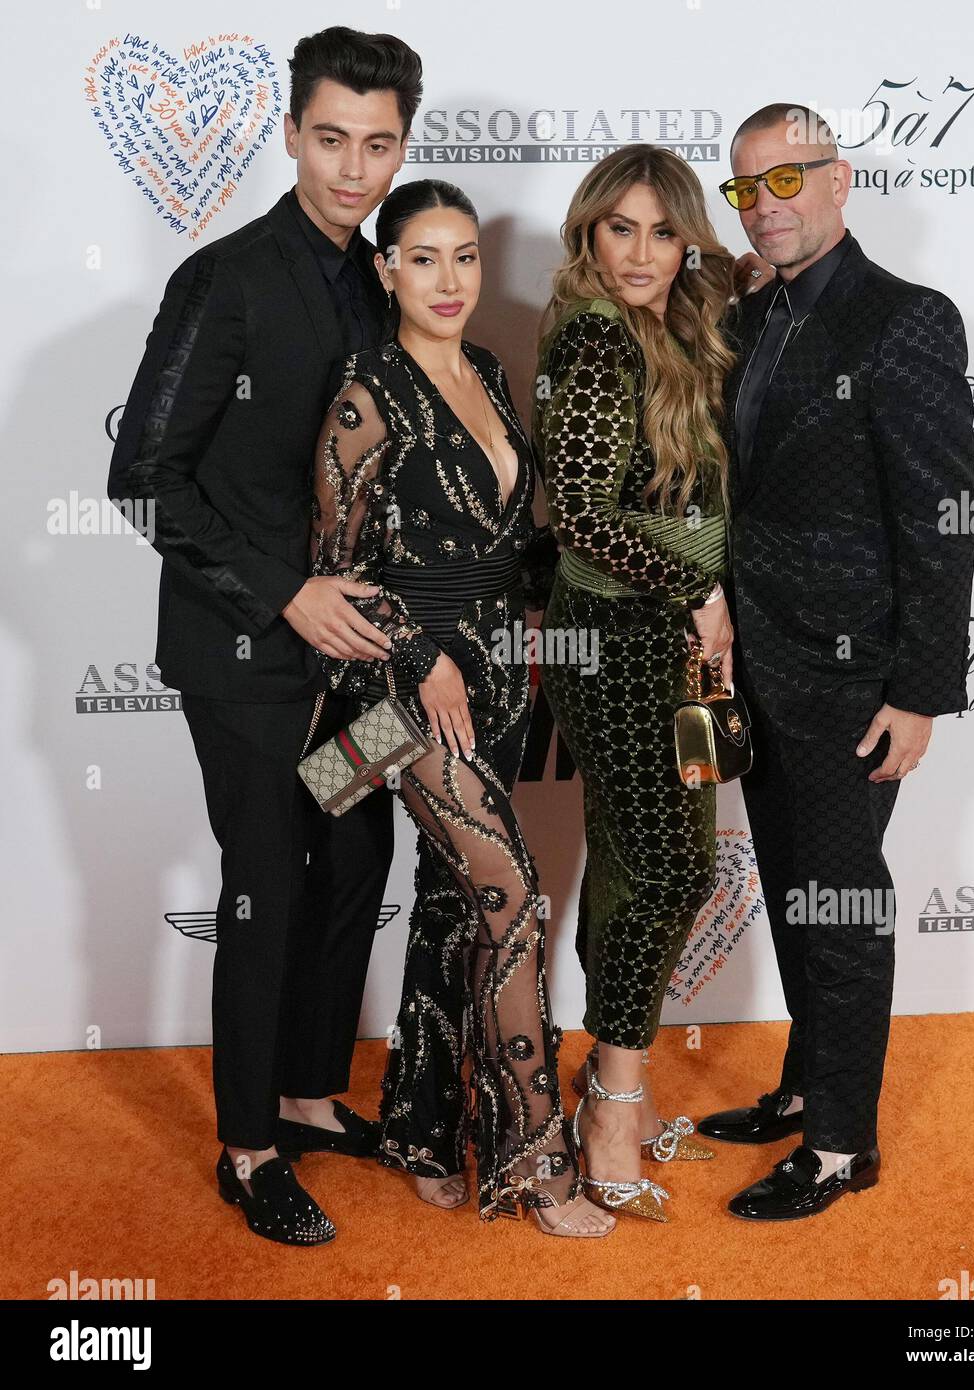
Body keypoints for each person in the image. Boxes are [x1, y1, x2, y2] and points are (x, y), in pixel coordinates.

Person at [106, 27, 425, 1246]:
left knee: (350, 871)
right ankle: (247, 1149)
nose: (353, 168)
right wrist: (279, 592)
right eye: (331, 138)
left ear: (401, 145)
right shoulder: (223, 280)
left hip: (361, 666)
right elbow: (143, 474)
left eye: (378, 143)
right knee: (267, 886)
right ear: (290, 132)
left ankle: (304, 1093)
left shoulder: (379, 273)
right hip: (248, 657)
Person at [309, 178, 615, 1238]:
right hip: (397, 696)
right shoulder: (364, 392)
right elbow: (335, 572)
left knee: (452, 909)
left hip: (491, 679)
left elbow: (499, 540)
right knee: (512, 901)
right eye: (424, 257)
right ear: (385, 266)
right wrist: (420, 652)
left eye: (466, 257)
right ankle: (539, 1159)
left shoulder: (485, 369)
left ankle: (424, 1131)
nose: (449, 280)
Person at [698, 103, 974, 1220]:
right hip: (757, 666)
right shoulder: (748, 314)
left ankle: (838, 1147)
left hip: (852, 680)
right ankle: (808, 1087)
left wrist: (917, 690)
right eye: (743, 189)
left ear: (838, 180)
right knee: (790, 892)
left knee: (842, 910)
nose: (763, 207)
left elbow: (940, 516)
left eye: (785, 181)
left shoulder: (902, 321)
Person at [535, 145, 750, 1222]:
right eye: (619, 228)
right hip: (618, 637)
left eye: (662, 231)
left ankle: (604, 1079)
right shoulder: (588, 340)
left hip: (674, 644)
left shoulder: (675, 323)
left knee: (650, 866)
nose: (640, 252)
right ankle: (611, 1103)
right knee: (664, 867)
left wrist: (736, 271)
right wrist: (698, 595)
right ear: (588, 233)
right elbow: (576, 515)